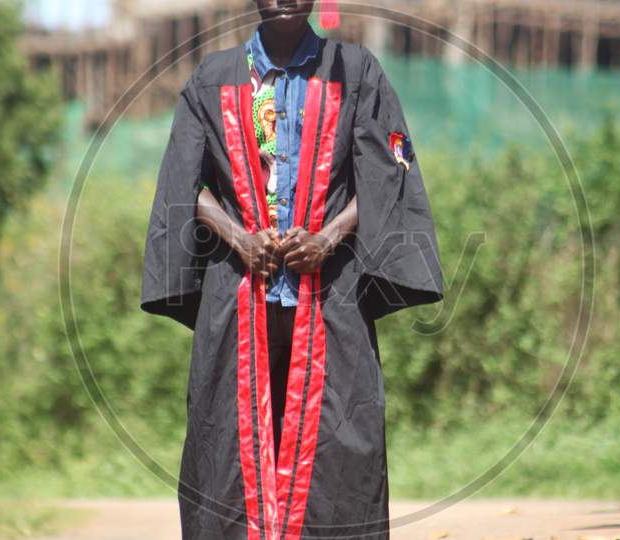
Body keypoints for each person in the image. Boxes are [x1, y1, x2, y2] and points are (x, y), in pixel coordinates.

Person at [140, 1, 443, 538]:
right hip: (238, 296)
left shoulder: (356, 70)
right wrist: (238, 237)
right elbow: (184, 182)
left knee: (341, 447)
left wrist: (328, 237)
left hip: (330, 296)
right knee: (229, 451)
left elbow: (385, 175)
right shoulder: (213, 79)